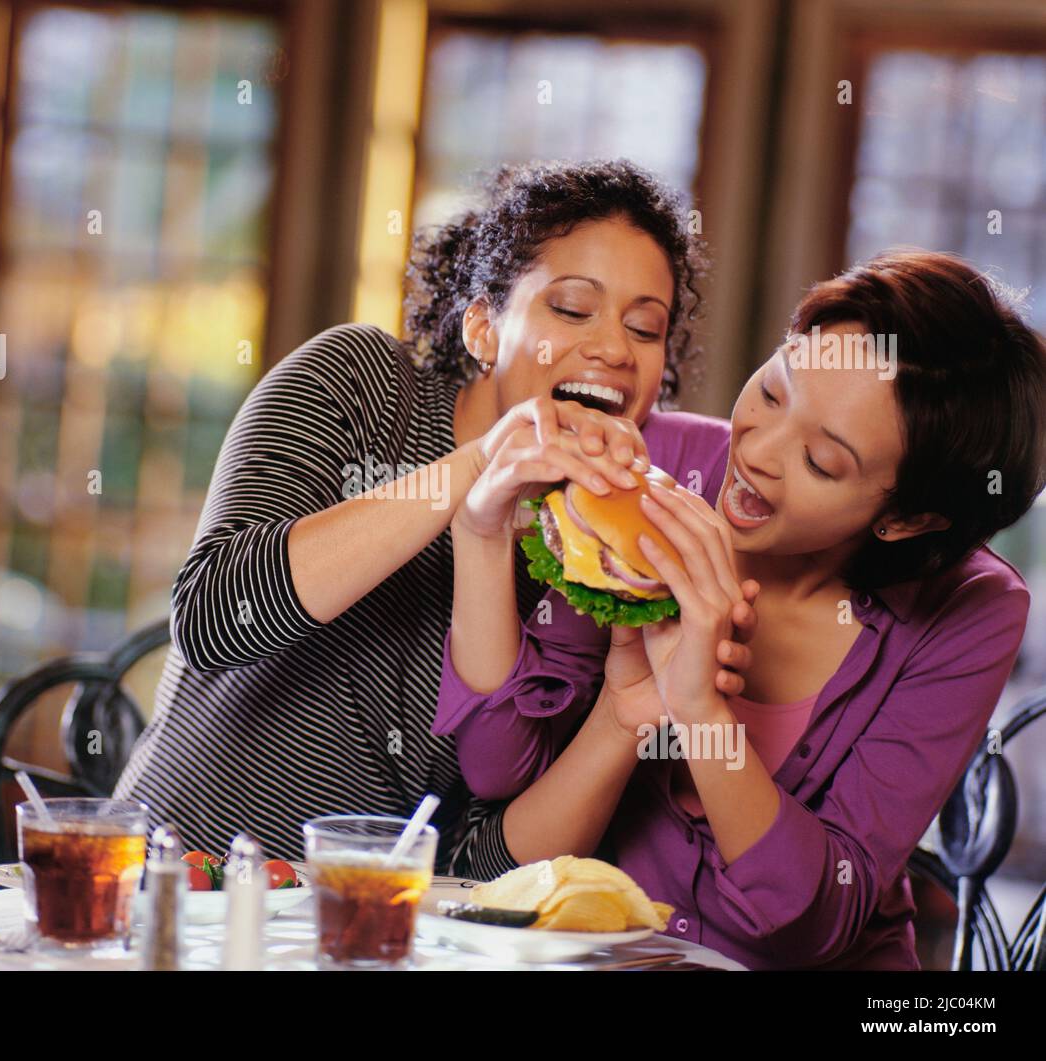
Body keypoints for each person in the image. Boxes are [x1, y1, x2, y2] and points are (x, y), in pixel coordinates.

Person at [113, 158, 745, 873]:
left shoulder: (600, 558)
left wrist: (626, 718)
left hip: (367, 928)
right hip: (178, 884)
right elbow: (214, 617)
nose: (611, 349)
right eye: (571, 308)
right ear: (481, 326)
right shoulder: (363, 383)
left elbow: (483, 863)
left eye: (645, 327)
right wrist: (478, 468)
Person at [438, 249, 1046, 966]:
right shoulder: (654, 468)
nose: (758, 452)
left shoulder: (970, 608)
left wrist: (701, 712)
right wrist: (480, 535)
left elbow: (812, 922)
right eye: (776, 390)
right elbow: (498, 766)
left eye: (823, 462)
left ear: (908, 519)